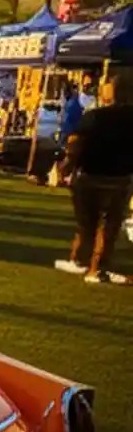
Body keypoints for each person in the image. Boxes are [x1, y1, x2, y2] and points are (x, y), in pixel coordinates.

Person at [55, 69, 133, 284]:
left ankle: (82, 262)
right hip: (120, 177)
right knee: (109, 226)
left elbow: (76, 143)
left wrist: (66, 166)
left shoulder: (95, 116)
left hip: (90, 175)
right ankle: (97, 267)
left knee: (87, 223)